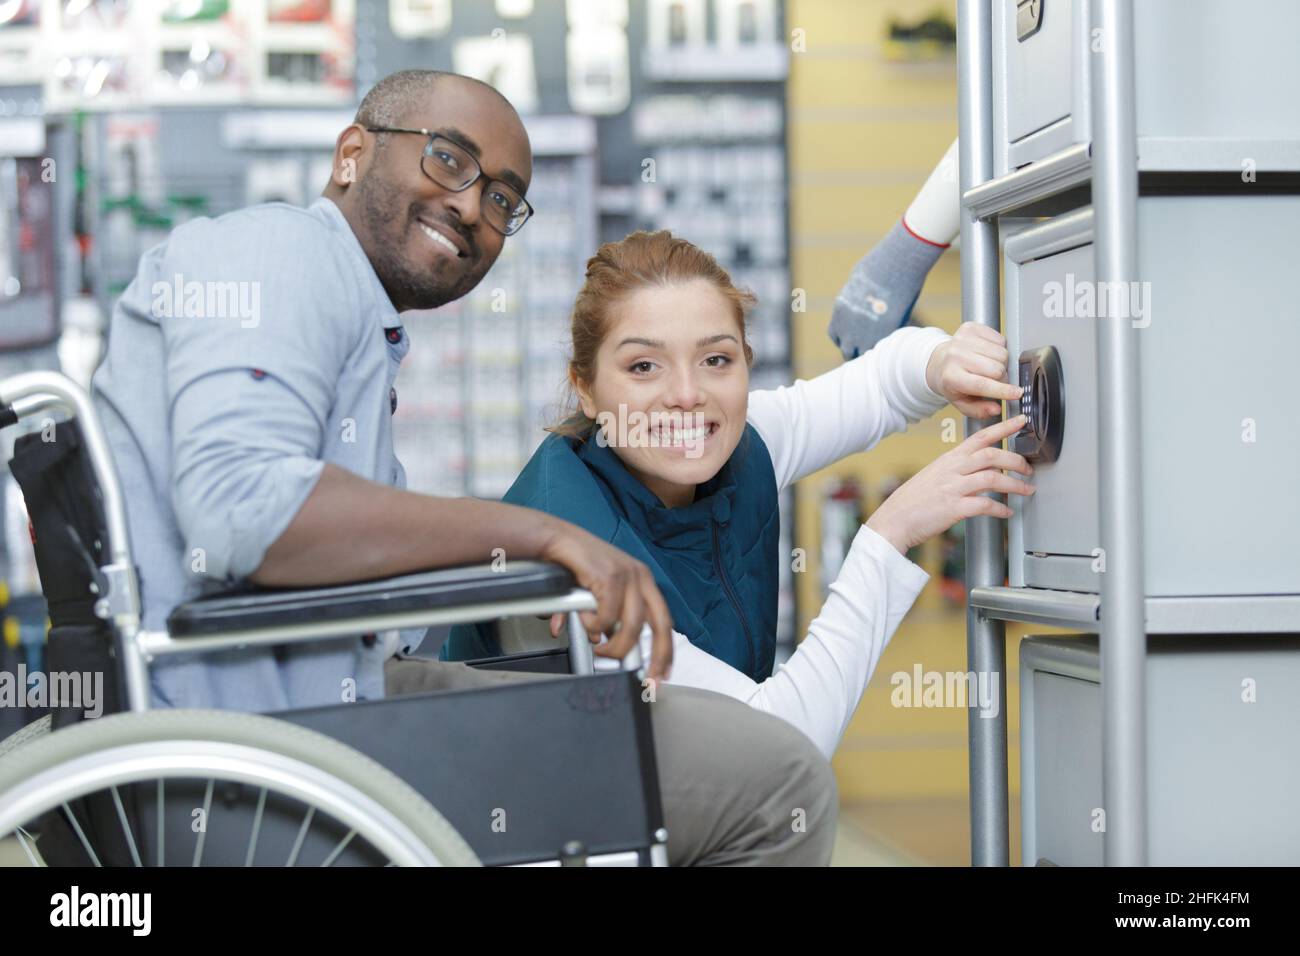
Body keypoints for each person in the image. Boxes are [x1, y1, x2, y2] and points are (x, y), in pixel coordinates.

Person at [90, 69, 835, 865]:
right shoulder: (275, 251)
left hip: (317, 699)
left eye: (503, 200)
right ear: (351, 154)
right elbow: (243, 510)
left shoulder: (344, 311)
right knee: (777, 783)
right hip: (273, 742)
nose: (473, 208)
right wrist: (541, 538)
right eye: (448, 160)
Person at [443, 230, 1032, 758]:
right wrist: (886, 537)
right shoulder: (568, 556)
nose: (687, 394)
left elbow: (879, 385)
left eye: (716, 359)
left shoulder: (738, 441)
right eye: (644, 366)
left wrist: (942, 360)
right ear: (587, 389)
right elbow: (776, 748)